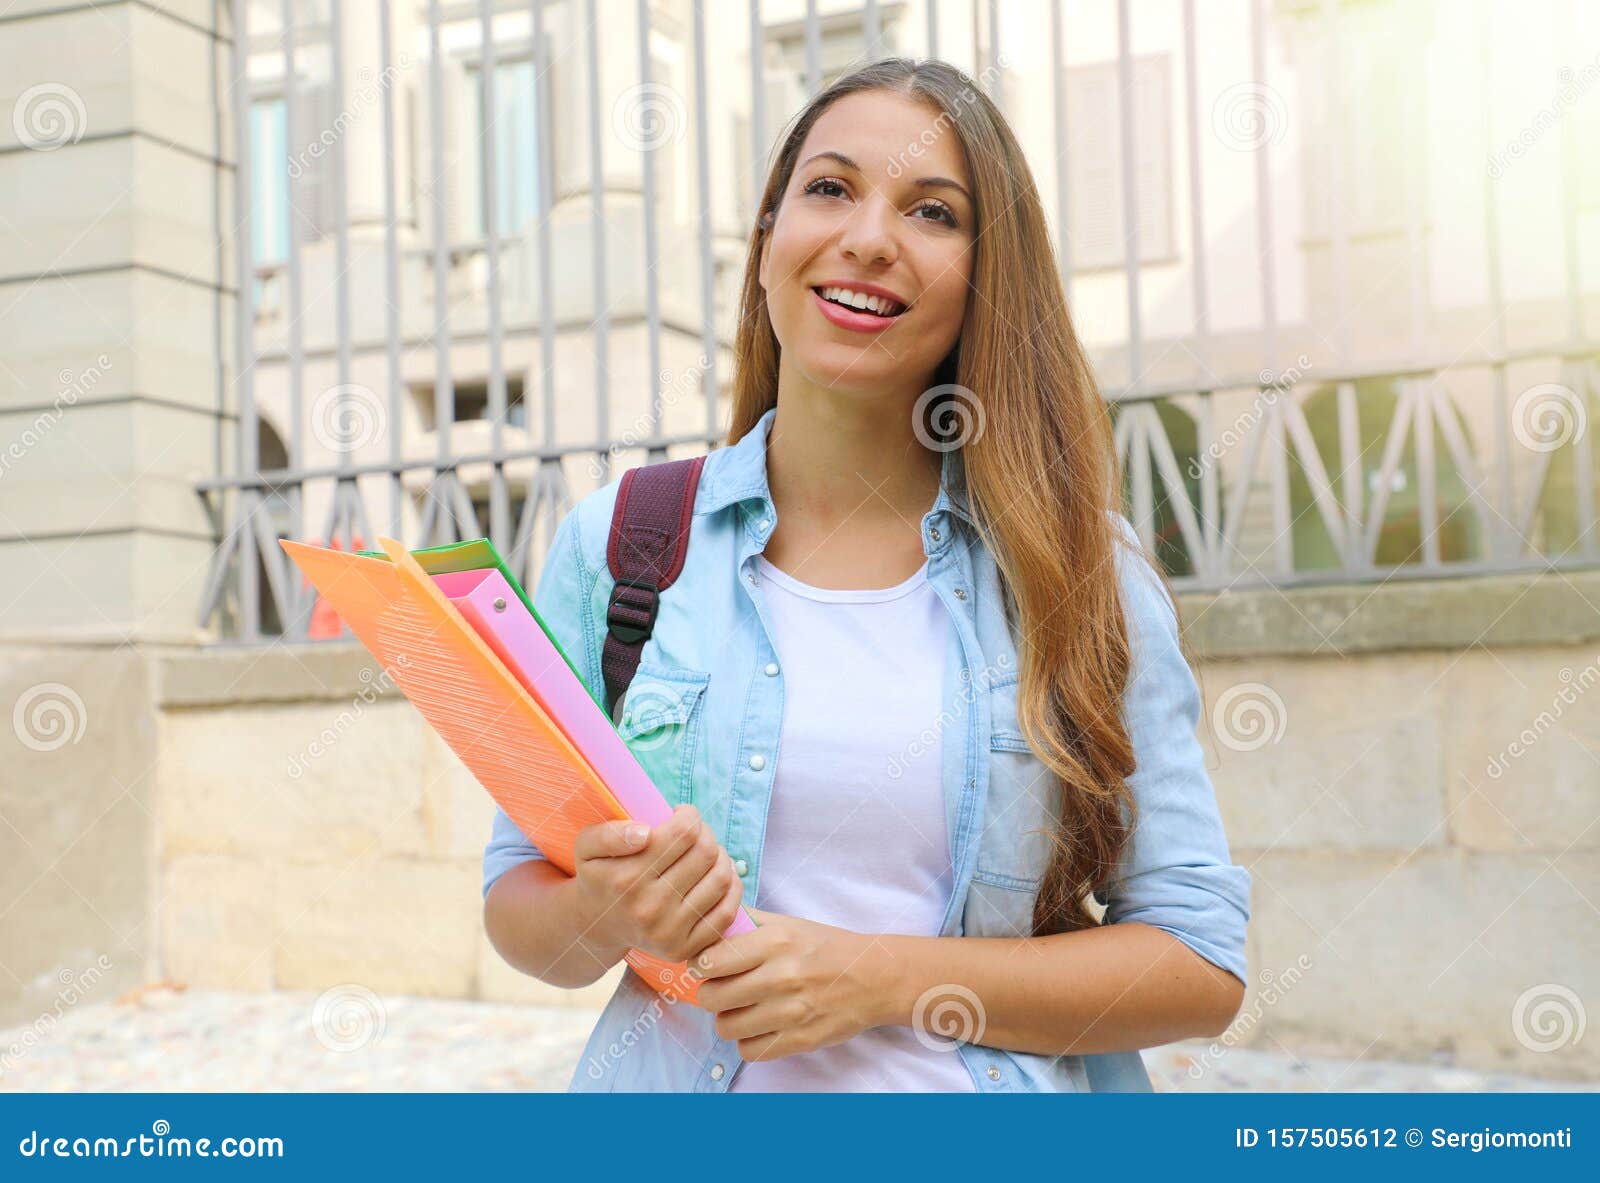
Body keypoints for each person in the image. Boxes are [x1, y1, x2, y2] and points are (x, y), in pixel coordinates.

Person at [482, 56, 1249, 1093]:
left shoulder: (1083, 576)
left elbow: (1196, 965)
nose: (869, 238)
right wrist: (603, 912)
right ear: (765, 246)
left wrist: (885, 979)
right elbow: (524, 916)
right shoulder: (620, 543)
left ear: (986, 278)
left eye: (932, 211)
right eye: (831, 188)